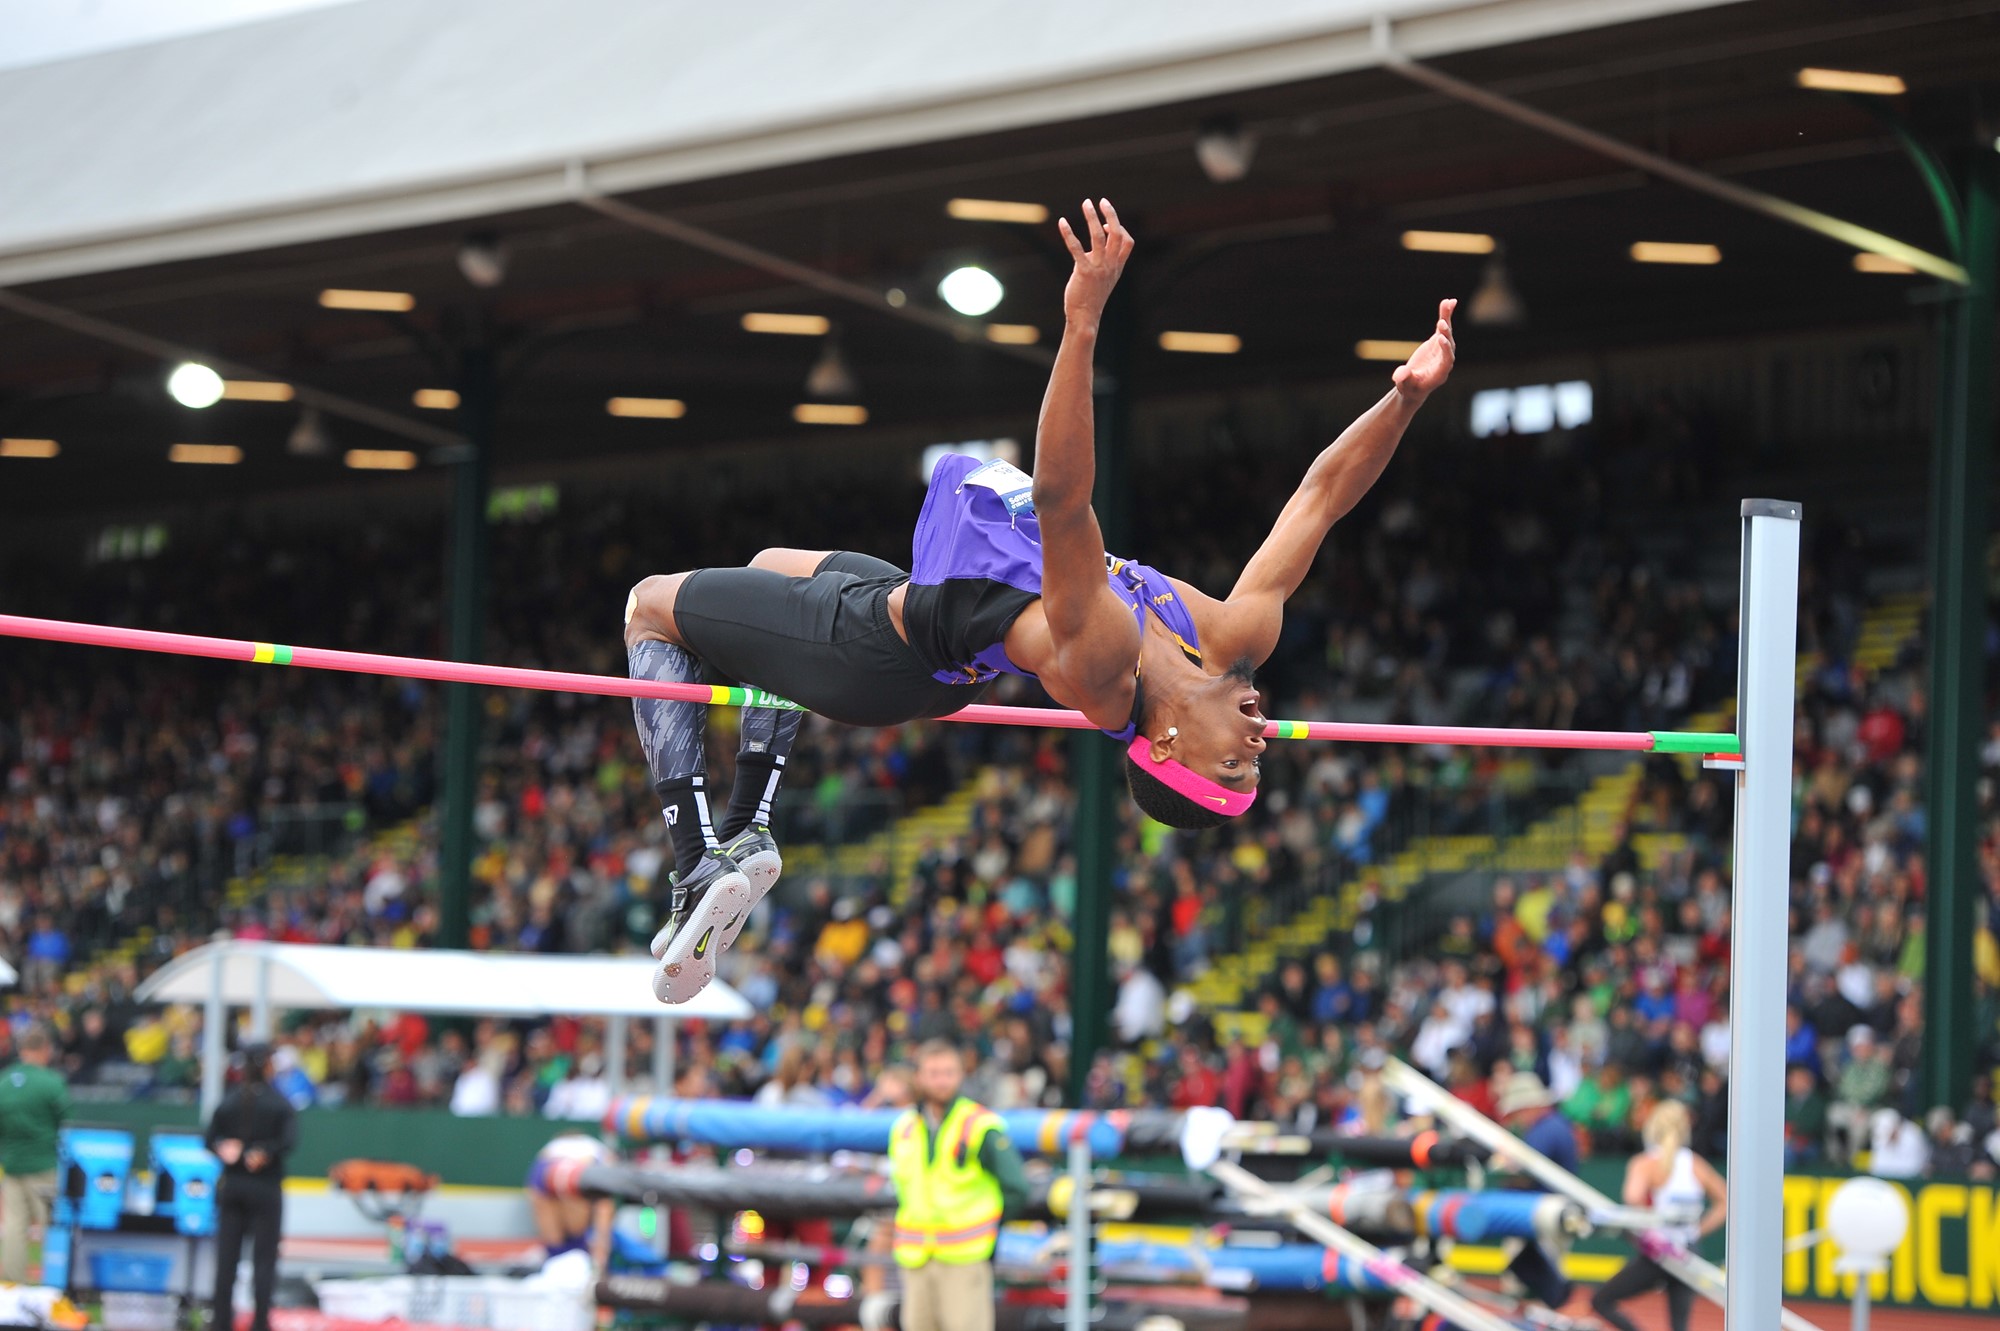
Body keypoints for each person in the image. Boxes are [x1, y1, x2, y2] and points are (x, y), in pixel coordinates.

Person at [624, 198, 1457, 1000]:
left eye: (1233, 759)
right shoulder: (1231, 633)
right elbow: (1318, 497)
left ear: (1165, 747)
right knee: (770, 563)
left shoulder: (1104, 673)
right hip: (911, 609)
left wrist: (1083, 320)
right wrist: (1406, 399)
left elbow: (1062, 500)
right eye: (1253, 759)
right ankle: (746, 827)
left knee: (649, 605)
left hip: (876, 654)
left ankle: (697, 855)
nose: (1260, 741)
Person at [883, 1040, 1029, 1331]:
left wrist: (989, 1231)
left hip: (965, 1260)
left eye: (949, 1072)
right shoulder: (904, 1128)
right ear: (919, 1077)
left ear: (961, 1075)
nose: (942, 1080)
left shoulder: (979, 1125)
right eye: (934, 1073)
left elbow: (1017, 1188)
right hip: (917, 1259)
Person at [1591, 1101, 1726, 1331]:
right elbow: (1725, 1201)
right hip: (1687, 1250)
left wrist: (1650, 1225)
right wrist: (1695, 1232)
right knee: (1680, 1325)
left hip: (1659, 1251)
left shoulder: (1645, 1163)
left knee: (1601, 1300)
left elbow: (1632, 1197)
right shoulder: (1696, 1164)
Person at [207, 1044, 298, 1331]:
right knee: (264, 1261)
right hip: (265, 1187)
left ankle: (221, 1322)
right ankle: (260, 1323)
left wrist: (226, 1148)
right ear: (268, 1065)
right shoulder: (279, 1102)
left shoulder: (230, 1100)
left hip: (233, 1185)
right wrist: (264, 1152)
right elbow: (289, 1141)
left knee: (227, 1260)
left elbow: (209, 1137)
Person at [0, 1026, 70, 1282]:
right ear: (45, 1050)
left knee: (14, 1228)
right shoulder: (51, 1082)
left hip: (13, 1164)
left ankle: (12, 1285)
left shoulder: (4, 1082)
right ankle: (55, 1280)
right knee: (53, 1226)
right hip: (45, 1165)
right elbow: (68, 1124)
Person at [524, 1134, 617, 1271]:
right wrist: (601, 1251)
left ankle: (556, 1255)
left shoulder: (555, 1152)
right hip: (580, 1168)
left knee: (545, 1201)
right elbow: (604, 1204)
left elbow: (535, 1193)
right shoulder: (595, 1153)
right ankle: (557, 1255)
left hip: (553, 1169)